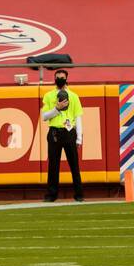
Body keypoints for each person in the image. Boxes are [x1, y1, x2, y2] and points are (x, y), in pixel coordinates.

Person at [41, 69, 84, 203]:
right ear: (54, 79)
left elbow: (78, 117)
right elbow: (44, 116)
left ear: (66, 79)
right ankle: (51, 195)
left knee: (74, 165)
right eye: (57, 77)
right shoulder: (48, 96)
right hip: (54, 132)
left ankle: (79, 194)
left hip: (69, 132)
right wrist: (57, 108)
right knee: (53, 165)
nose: (60, 79)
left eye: (62, 77)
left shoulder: (74, 96)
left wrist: (79, 137)